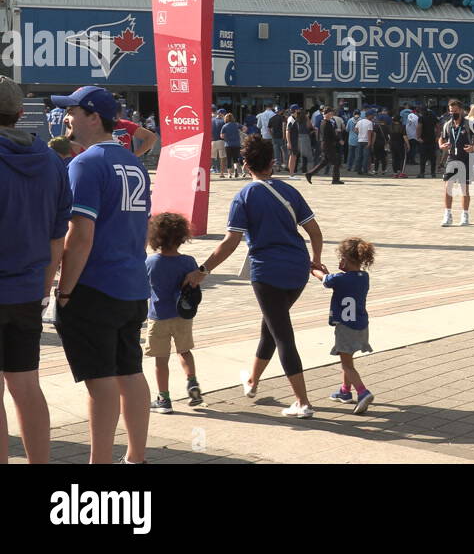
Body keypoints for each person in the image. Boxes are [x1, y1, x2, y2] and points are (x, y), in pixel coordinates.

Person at [183, 135, 326, 418]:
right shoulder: (290, 191)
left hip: (267, 271)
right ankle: (252, 380)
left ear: (245, 163)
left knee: (282, 333)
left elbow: (230, 242)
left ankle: (302, 401)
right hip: (298, 269)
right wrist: (316, 261)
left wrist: (203, 270)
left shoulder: (244, 197)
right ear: (273, 162)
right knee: (272, 326)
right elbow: (315, 232)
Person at [51, 85, 152, 464]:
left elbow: (80, 236)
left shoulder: (86, 164)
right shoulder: (134, 162)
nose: (67, 119)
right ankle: (136, 456)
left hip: (95, 285)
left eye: (73, 111)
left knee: (100, 379)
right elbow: (141, 227)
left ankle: (100, 461)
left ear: (93, 117)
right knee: (130, 372)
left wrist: (64, 290)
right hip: (133, 284)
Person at [0, 76, 71, 464]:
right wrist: (44, 288)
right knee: (27, 384)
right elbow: (57, 237)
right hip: (29, 291)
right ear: (18, 113)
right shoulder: (50, 161)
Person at [145, 213, 202, 414]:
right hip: (183, 316)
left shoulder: (151, 263)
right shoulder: (188, 262)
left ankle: (164, 398)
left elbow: (144, 287)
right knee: (184, 351)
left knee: (161, 360)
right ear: (182, 237)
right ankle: (192, 382)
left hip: (158, 316)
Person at [315, 237, 376, 415]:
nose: (340, 262)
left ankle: (363, 392)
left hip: (345, 327)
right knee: (347, 359)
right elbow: (336, 279)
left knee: (347, 365)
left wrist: (315, 270)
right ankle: (344, 391)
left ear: (347, 260)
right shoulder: (364, 277)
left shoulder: (339, 279)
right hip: (361, 326)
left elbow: (324, 280)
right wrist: (328, 274)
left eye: (342, 259)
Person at [439, 99, 474, 227]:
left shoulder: (469, 124)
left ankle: (465, 215)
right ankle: (447, 215)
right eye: (451, 110)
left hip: (466, 158)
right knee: (448, 187)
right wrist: (441, 145)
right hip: (452, 157)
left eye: (455, 111)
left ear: (461, 110)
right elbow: (441, 138)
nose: (453, 113)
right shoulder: (447, 125)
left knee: (464, 189)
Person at [305, 108, 345, 185]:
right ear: (326, 114)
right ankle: (335, 179)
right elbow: (331, 135)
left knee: (324, 162)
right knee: (336, 161)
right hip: (328, 145)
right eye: (330, 114)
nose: (331, 115)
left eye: (332, 114)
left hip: (326, 144)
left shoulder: (325, 122)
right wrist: (338, 140)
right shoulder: (326, 123)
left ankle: (310, 174)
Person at [416, 106, 438, 178]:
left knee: (423, 157)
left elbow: (419, 127)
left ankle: (422, 173)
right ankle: (433, 173)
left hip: (423, 140)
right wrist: (438, 136)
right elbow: (438, 126)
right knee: (433, 158)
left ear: (421, 111)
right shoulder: (433, 116)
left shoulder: (421, 117)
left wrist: (418, 137)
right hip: (432, 139)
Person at [220, 113, 244, 179]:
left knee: (229, 159)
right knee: (235, 158)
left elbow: (222, 136)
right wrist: (240, 133)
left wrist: (226, 137)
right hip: (236, 144)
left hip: (228, 144)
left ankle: (229, 174)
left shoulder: (224, 126)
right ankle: (236, 170)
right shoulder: (236, 124)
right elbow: (245, 128)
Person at [388, 113, 410, 179]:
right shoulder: (402, 126)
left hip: (392, 144)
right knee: (402, 158)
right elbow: (404, 136)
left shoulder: (390, 126)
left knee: (394, 158)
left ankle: (395, 173)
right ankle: (401, 173)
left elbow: (388, 136)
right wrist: (408, 144)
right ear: (399, 120)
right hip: (400, 144)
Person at [354, 109, 374, 175]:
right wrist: (369, 142)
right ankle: (365, 170)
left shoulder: (359, 121)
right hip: (366, 141)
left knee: (359, 156)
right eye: (372, 115)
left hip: (359, 140)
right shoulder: (370, 123)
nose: (373, 117)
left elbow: (355, 129)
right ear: (370, 115)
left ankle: (358, 170)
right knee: (366, 157)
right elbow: (369, 133)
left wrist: (360, 134)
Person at [268, 108, 287, 172]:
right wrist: (284, 136)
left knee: (276, 153)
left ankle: (278, 167)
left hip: (274, 138)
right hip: (281, 137)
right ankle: (285, 165)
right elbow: (284, 126)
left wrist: (272, 135)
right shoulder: (282, 118)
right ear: (280, 111)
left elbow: (269, 129)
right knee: (284, 151)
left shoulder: (271, 119)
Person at [210, 111, 226, 175]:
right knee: (222, 157)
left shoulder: (211, 120)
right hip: (221, 141)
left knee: (212, 156)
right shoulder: (223, 121)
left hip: (212, 141)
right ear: (221, 114)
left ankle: (213, 169)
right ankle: (221, 172)